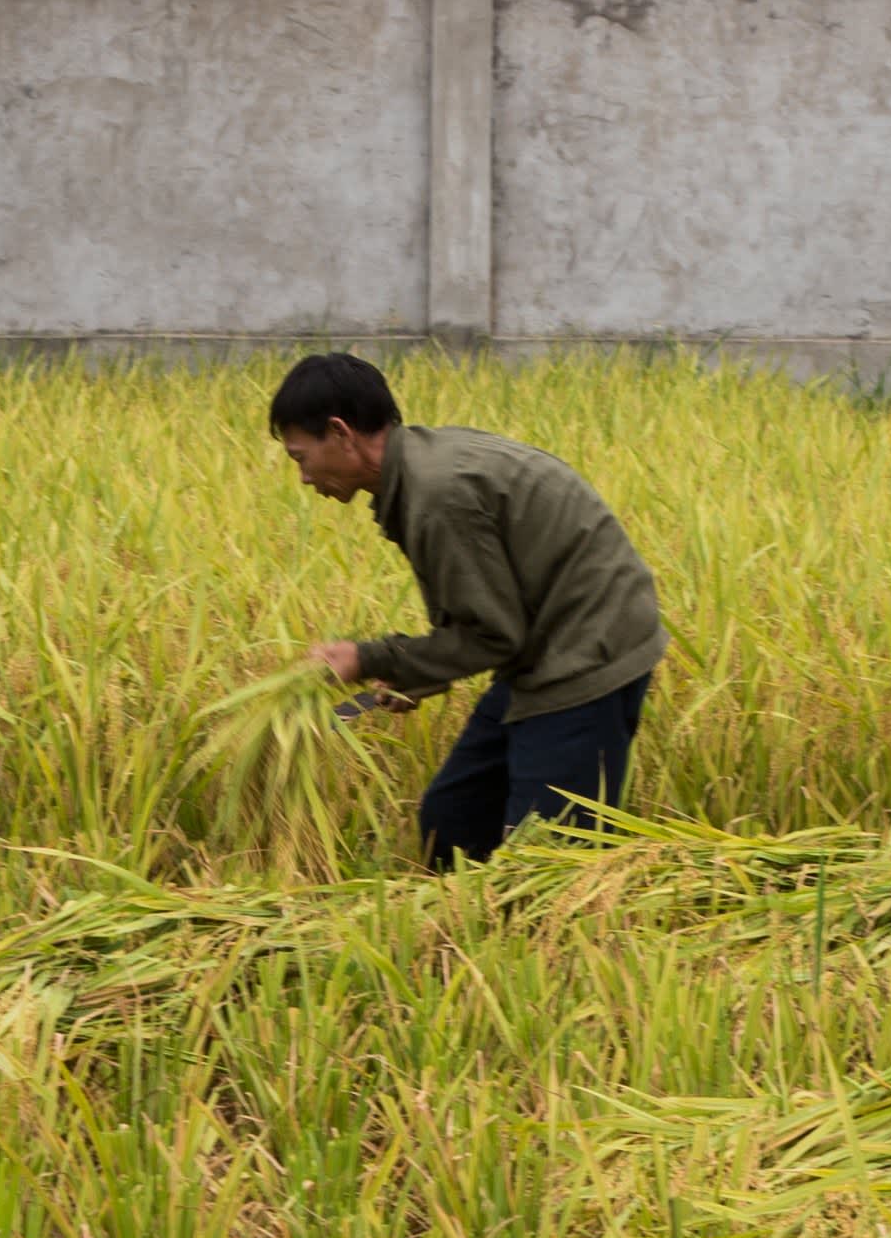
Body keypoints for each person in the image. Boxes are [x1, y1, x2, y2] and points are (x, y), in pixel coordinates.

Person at [270, 352, 665, 869]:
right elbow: (485, 615)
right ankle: (469, 933)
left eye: (301, 457)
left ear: (341, 434)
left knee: (548, 863)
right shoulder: (420, 469)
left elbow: (493, 636)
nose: (303, 477)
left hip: (586, 655)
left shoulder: (438, 495)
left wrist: (367, 660)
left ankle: (552, 940)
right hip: (543, 641)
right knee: (454, 819)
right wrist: (419, 676)